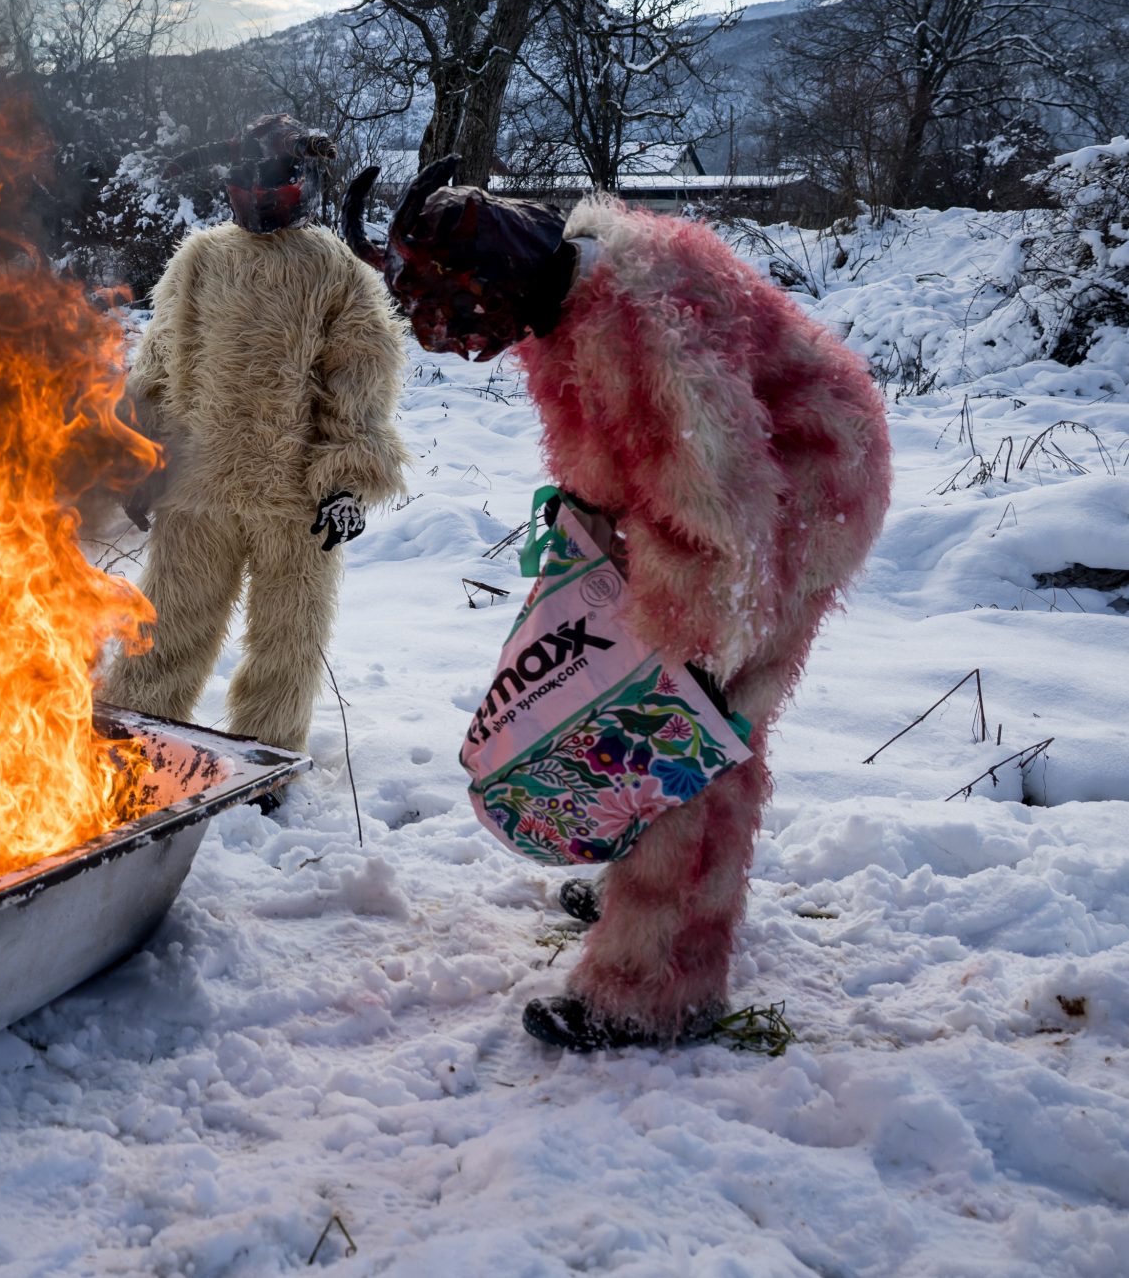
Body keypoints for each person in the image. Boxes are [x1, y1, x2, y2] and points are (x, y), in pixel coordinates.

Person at [346, 159, 891, 1048]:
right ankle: (649, 886)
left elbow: (717, 515)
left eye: (459, 315)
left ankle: (656, 984)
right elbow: (598, 460)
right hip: (740, 483)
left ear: (494, 277)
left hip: (806, 485)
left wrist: (689, 655)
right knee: (667, 696)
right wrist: (588, 564)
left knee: (691, 723)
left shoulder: (640, 331)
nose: (459, 339)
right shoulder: (569, 297)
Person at [102, 115, 409, 751]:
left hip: (295, 500)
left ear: (303, 180)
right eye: (248, 176)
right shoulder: (202, 260)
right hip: (198, 487)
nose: (259, 191)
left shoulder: (337, 271)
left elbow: (360, 383)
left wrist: (346, 481)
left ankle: (266, 756)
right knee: (167, 626)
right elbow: (161, 363)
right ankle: (131, 736)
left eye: (273, 175)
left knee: (288, 638)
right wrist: (140, 454)